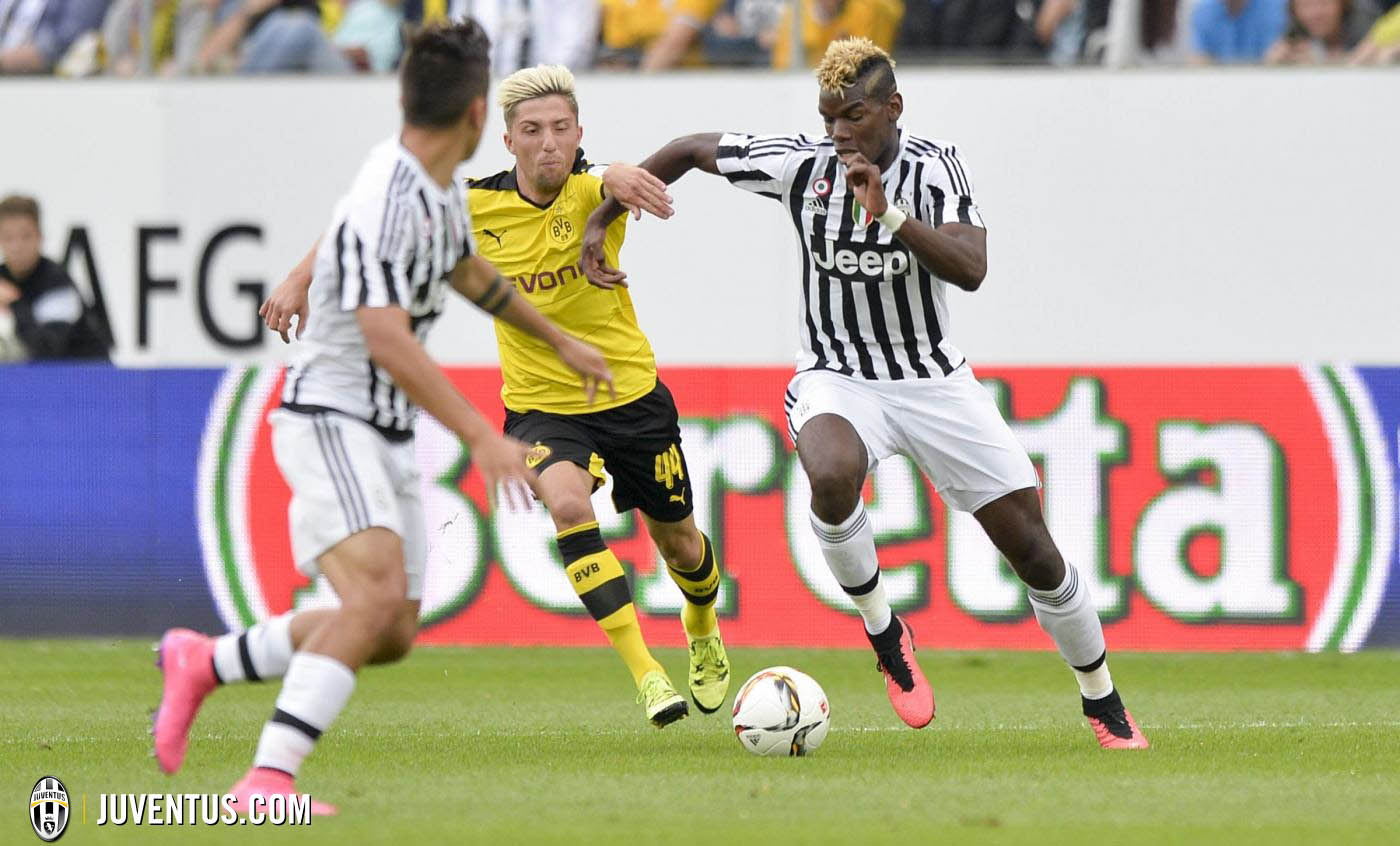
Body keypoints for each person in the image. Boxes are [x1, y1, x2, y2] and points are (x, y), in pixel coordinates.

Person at [581, 37, 1150, 750]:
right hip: (836, 375)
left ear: (893, 108)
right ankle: (885, 634)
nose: (840, 133)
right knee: (830, 472)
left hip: (935, 383)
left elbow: (971, 268)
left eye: (853, 117)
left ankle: (1102, 700)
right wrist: (606, 210)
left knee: (1033, 550)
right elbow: (694, 147)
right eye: (829, 119)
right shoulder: (804, 167)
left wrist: (888, 217)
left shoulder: (936, 168)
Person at [151, 19, 615, 814]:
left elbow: (467, 269)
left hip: (382, 427)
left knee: (390, 629)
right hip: (331, 413)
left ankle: (206, 660)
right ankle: (265, 780)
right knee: (365, 603)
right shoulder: (388, 198)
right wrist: (481, 435)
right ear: (480, 116)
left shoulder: (422, 186)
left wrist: (558, 340)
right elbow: (384, 338)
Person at [262, 64, 733, 728]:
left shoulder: (593, 190)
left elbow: (617, 178)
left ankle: (701, 622)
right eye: (531, 130)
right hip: (542, 405)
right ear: (507, 141)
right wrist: (297, 278)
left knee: (682, 544)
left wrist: (626, 175)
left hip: (630, 395)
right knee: (568, 505)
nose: (548, 143)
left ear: (578, 135)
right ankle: (647, 674)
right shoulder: (474, 203)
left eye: (561, 130)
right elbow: (366, 220)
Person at [0, 194, 109, 360]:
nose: (17, 246)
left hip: (86, 378)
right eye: (8, 237)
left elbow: (46, 351)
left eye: (25, 236)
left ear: (40, 236)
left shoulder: (58, 284)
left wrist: (13, 303)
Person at [1266, 0, 1379, 62]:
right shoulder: (1296, 28)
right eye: (1306, 5)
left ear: (1342, 4)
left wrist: (1321, 60)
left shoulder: (1364, 24)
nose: (1315, 13)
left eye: (1324, 3)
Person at [1189, 0, 1288, 63]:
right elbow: (1199, 58)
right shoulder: (1203, 11)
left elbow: (1275, 55)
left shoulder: (1275, 8)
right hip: (1219, 84)